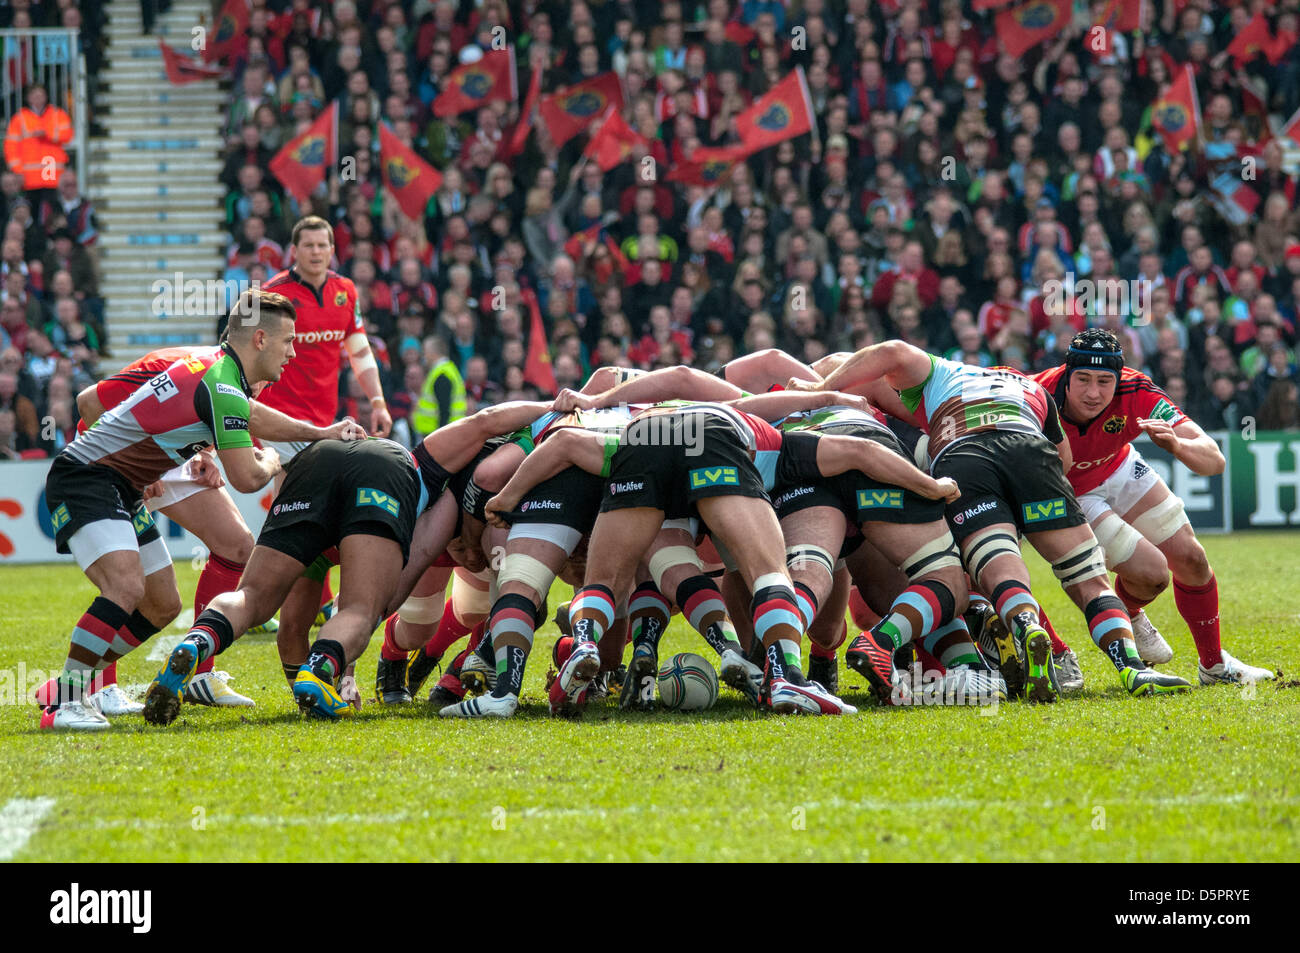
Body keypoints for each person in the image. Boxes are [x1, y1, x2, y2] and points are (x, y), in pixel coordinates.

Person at [789, 340, 1194, 699]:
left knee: (981, 568)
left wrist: (814, 389)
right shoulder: (1035, 390)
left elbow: (889, 351)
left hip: (961, 458)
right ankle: (1131, 667)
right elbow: (1063, 459)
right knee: (1088, 576)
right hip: (1029, 450)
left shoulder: (942, 373)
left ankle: (1015, 627)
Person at [37, 291, 301, 729]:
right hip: (100, 471)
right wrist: (143, 459)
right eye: (288, 342)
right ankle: (74, 695)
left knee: (166, 601)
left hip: (140, 474)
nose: (292, 353)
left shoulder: (231, 374)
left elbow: (243, 417)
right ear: (257, 339)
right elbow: (89, 403)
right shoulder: (190, 367)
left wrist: (318, 433)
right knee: (124, 585)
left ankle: (84, 684)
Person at [1031, 329, 1273, 686]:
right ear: (1067, 375)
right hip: (1068, 490)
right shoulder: (1036, 395)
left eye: (1104, 381)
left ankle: (1213, 666)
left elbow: (1214, 461)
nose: (1093, 392)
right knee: (1152, 574)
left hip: (1120, 466)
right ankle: (1127, 614)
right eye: (1082, 379)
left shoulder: (1137, 389)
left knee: (1192, 558)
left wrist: (1177, 445)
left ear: (1119, 378)